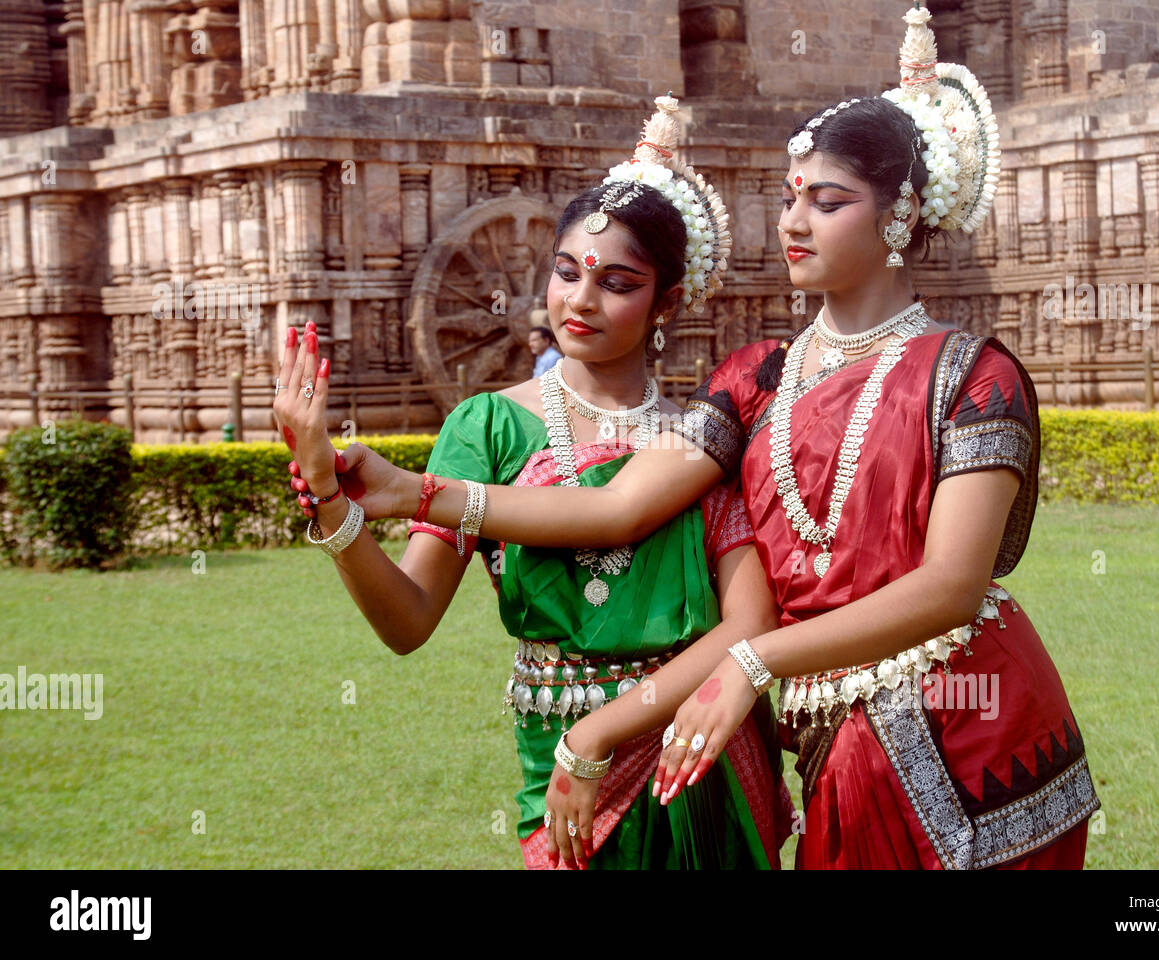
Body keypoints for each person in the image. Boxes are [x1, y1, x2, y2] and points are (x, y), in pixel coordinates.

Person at [295, 5, 1101, 869]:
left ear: (900, 215)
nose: (793, 223)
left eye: (827, 202)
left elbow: (949, 587)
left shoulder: (975, 376)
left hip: (982, 739)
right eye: (789, 198)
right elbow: (618, 510)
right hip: (834, 743)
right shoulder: (753, 381)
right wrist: (407, 493)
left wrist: (750, 662)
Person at [272, 97, 793, 870]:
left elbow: (749, 623)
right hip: (554, 759)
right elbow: (407, 621)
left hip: (696, 757)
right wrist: (328, 496)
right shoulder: (489, 428)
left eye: (617, 282)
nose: (580, 300)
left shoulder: (701, 439)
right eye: (566, 272)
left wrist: (603, 732)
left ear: (667, 303)